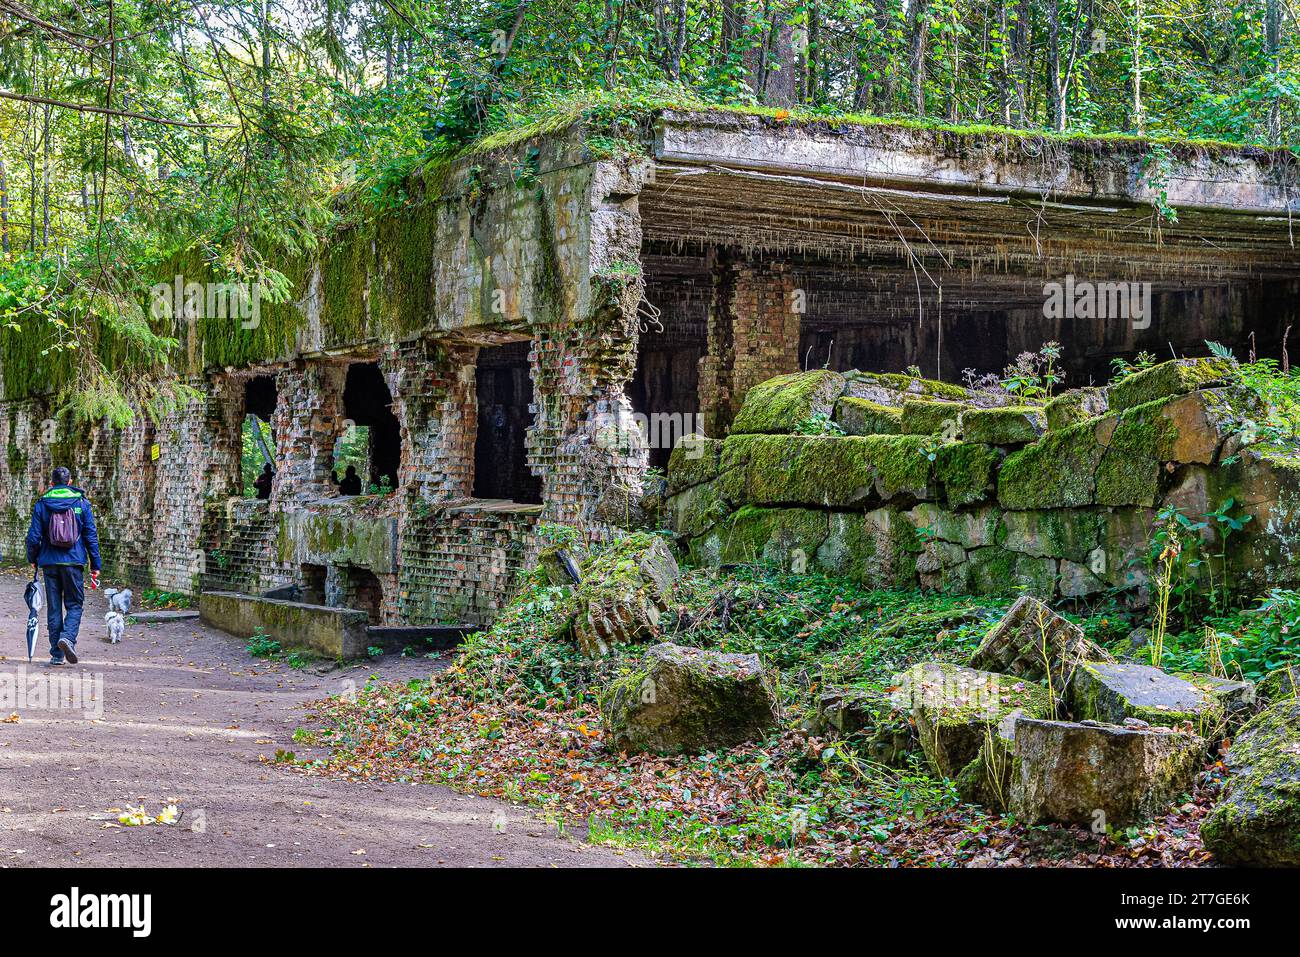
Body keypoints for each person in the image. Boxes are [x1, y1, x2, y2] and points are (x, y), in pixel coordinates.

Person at [25, 467, 101, 666]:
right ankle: (67, 637)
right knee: (75, 604)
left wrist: (32, 558)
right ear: (70, 482)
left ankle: (56, 655)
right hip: (74, 562)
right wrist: (96, 564)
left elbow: (33, 537)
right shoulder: (81, 503)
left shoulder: (42, 503)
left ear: (51, 483)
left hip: (49, 563)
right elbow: (90, 536)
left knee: (54, 608)